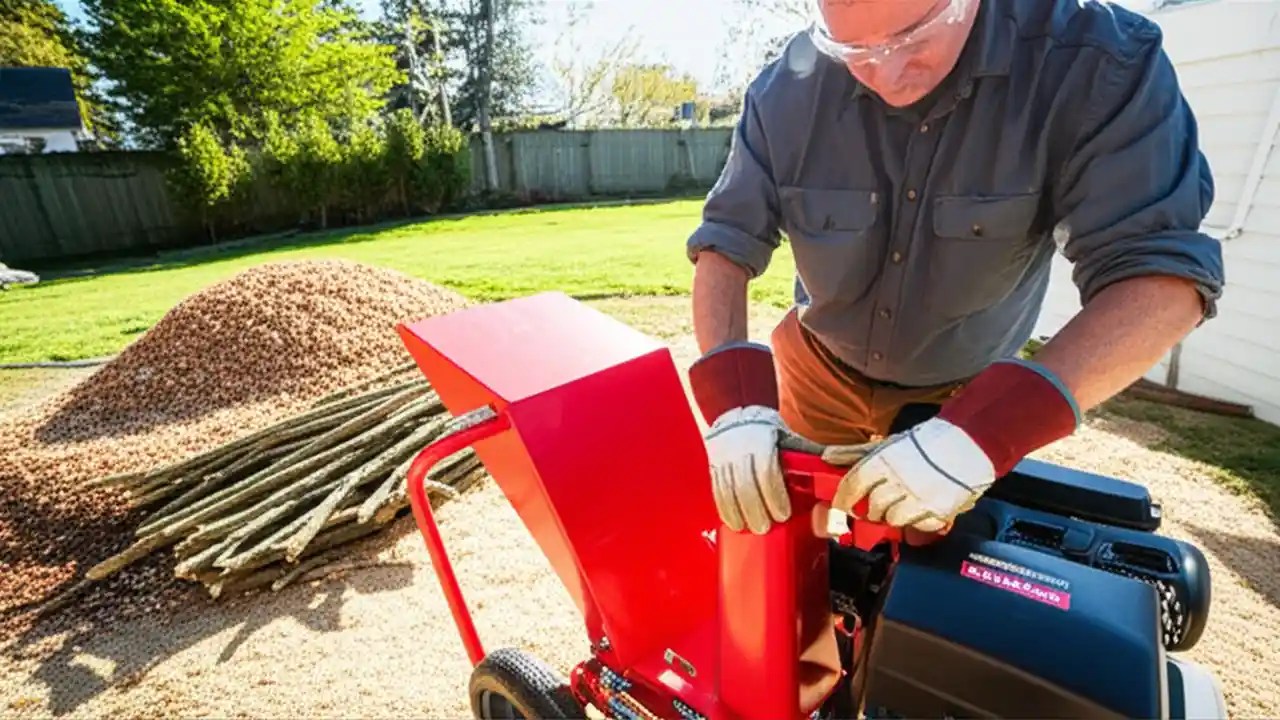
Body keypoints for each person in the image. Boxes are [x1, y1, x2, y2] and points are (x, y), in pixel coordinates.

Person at [684, 0, 1225, 540]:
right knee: (788, 542)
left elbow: (1163, 279)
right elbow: (725, 243)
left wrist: (985, 433)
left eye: (914, 38)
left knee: (916, 582)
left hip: (962, 394)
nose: (887, 75)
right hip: (817, 369)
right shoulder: (786, 91)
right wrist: (735, 405)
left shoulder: (1096, 66)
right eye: (854, 51)